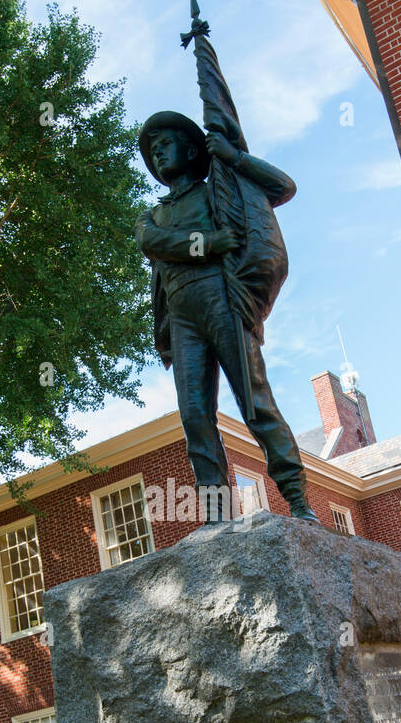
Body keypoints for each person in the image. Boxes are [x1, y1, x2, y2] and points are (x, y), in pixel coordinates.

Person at [135, 110, 318, 522]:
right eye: (152, 150)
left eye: (166, 143)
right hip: (182, 319)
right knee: (195, 417)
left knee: (256, 402)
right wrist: (210, 242)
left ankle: (297, 499)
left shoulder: (217, 190)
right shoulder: (151, 216)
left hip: (221, 300)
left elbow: (283, 187)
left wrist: (235, 157)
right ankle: (217, 514)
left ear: (192, 147)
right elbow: (154, 241)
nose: (158, 153)